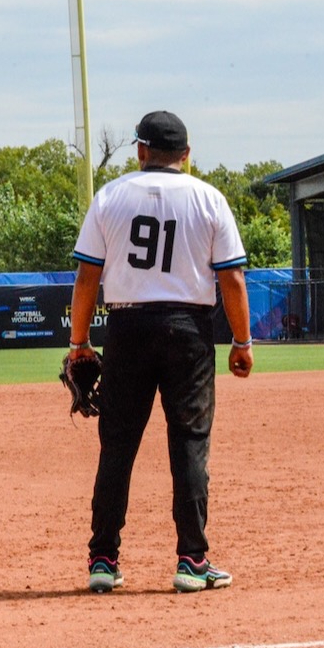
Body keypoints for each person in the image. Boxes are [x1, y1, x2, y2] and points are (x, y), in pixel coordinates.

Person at [67, 110, 253, 595]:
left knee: (118, 446)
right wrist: (241, 341)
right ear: (187, 156)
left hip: (127, 327)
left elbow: (87, 277)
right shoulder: (210, 198)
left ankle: (103, 559)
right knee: (189, 443)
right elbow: (231, 277)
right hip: (189, 330)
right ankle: (192, 561)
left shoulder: (110, 195)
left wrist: (79, 343)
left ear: (141, 151)